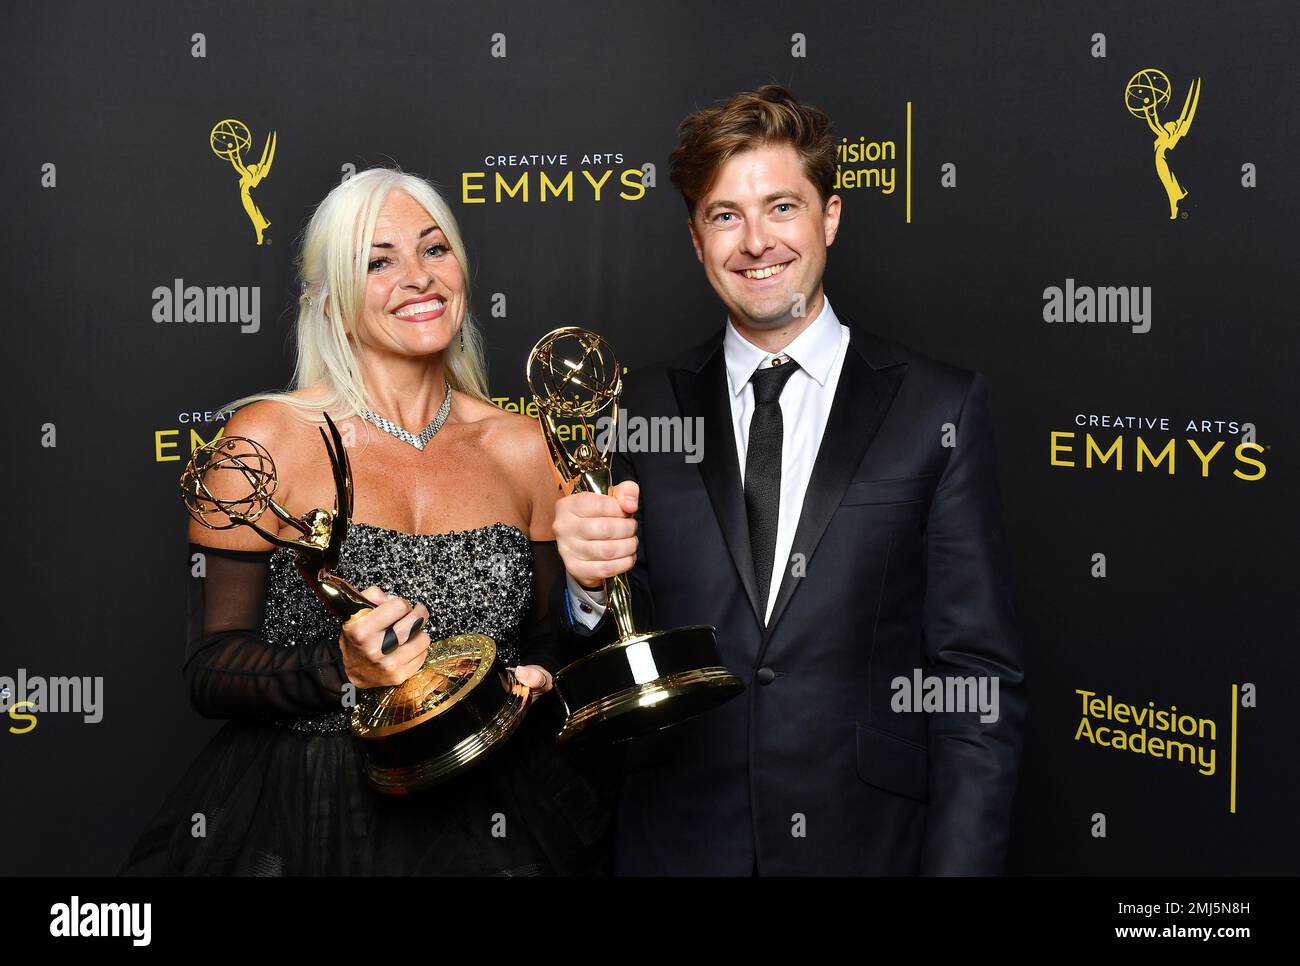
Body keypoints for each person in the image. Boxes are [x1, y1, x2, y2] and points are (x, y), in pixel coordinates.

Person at [553, 85, 1026, 875]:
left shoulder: (935, 407)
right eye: (724, 215)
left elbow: (975, 682)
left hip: (869, 846)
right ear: (697, 239)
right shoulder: (635, 407)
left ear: (829, 217)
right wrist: (587, 591)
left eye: (780, 207)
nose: (755, 241)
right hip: (680, 843)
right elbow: (609, 663)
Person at [123, 168, 616, 876]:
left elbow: (550, 636)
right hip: (302, 815)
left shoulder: (528, 446)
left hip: (487, 809)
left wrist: (539, 675)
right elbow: (211, 669)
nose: (417, 278)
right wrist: (341, 669)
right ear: (330, 301)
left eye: (434, 250)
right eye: (377, 261)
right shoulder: (264, 442)